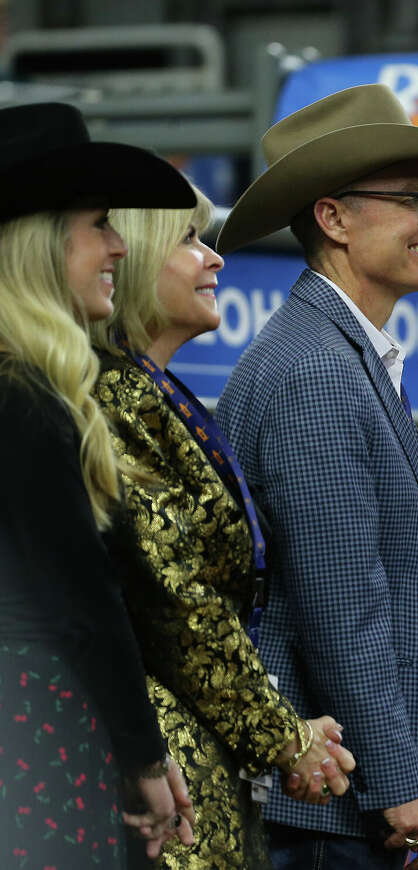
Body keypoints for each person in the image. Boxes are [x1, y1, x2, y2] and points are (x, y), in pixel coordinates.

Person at [214, 83, 418, 869]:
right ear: (334, 219)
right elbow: (342, 605)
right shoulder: (317, 370)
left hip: (332, 796)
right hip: (329, 806)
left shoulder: (332, 353)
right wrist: (397, 781)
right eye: (414, 200)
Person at [89, 186, 358, 868]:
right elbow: (171, 594)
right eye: (188, 240)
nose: (214, 259)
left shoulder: (151, 391)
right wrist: (282, 735)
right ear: (132, 259)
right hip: (157, 751)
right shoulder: (115, 396)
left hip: (196, 742)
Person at [0, 101, 198, 866]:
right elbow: (83, 600)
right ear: (40, 244)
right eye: (99, 225)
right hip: (34, 735)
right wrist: (145, 756)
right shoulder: (22, 398)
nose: (119, 245)